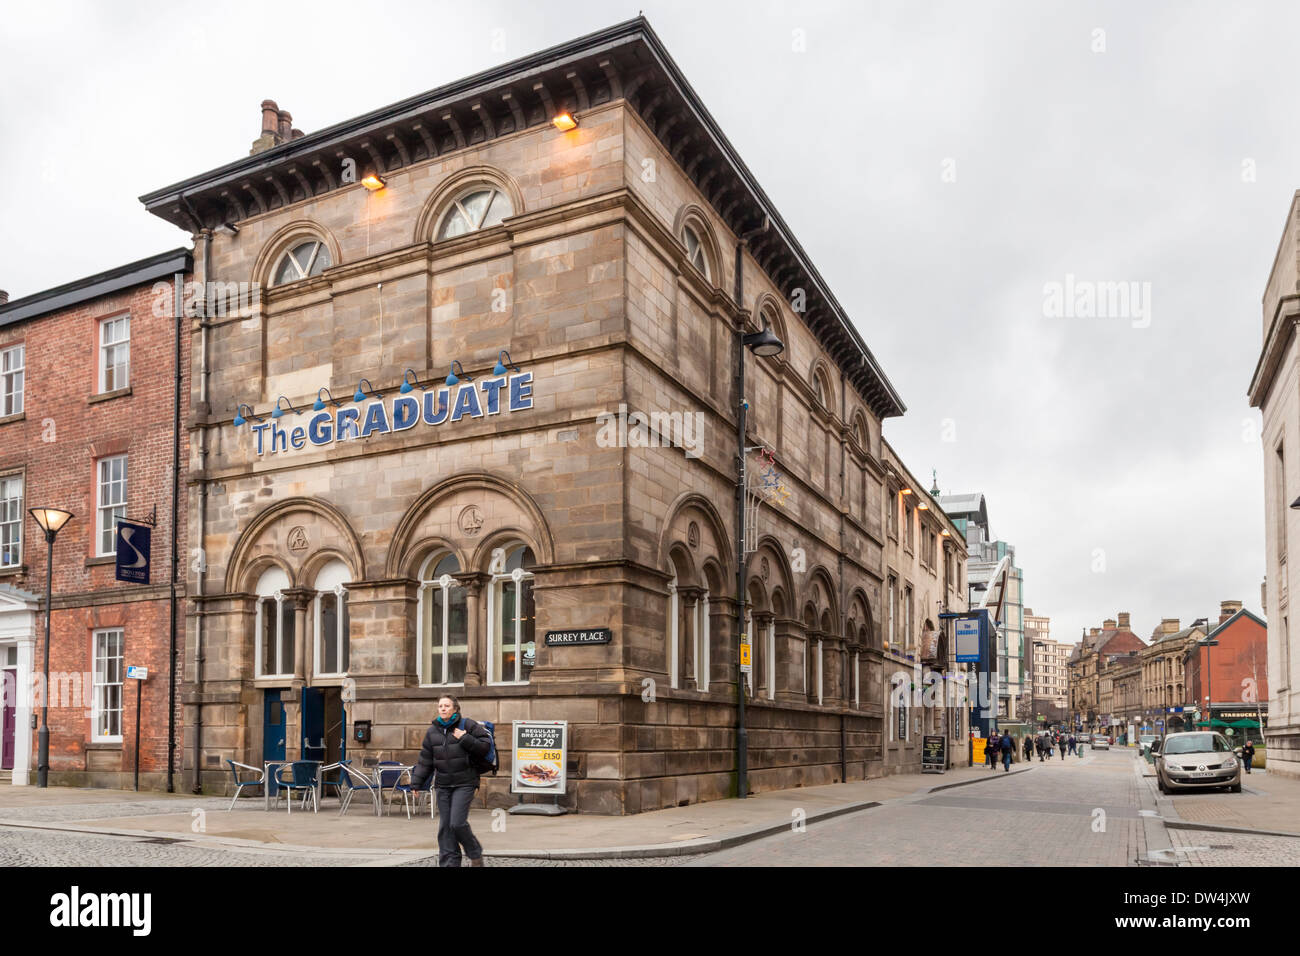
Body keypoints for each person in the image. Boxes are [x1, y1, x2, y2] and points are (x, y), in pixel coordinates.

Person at [412, 694, 493, 868]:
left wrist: (464, 738)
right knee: (445, 828)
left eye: (447, 706)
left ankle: (475, 853)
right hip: (443, 784)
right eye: (440, 706)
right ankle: (450, 863)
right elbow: (425, 760)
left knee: (457, 823)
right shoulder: (432, 731)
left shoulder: (468, 725)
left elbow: (484, 747)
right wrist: (416, 783)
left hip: (465, 782)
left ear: (455, 709)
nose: (443, 709)